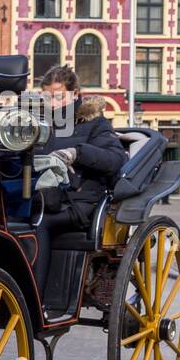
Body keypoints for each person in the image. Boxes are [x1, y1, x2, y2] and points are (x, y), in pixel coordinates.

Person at [33, 65, 128, 310]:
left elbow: (115, 159)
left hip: (78, 203)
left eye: (58, 96)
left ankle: (36, 302)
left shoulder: (94, 124)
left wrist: (78, 152)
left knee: (39, 221)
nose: (52, 103)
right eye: (47, 97)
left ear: (75, 94)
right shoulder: (37, 122)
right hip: (43, 195)